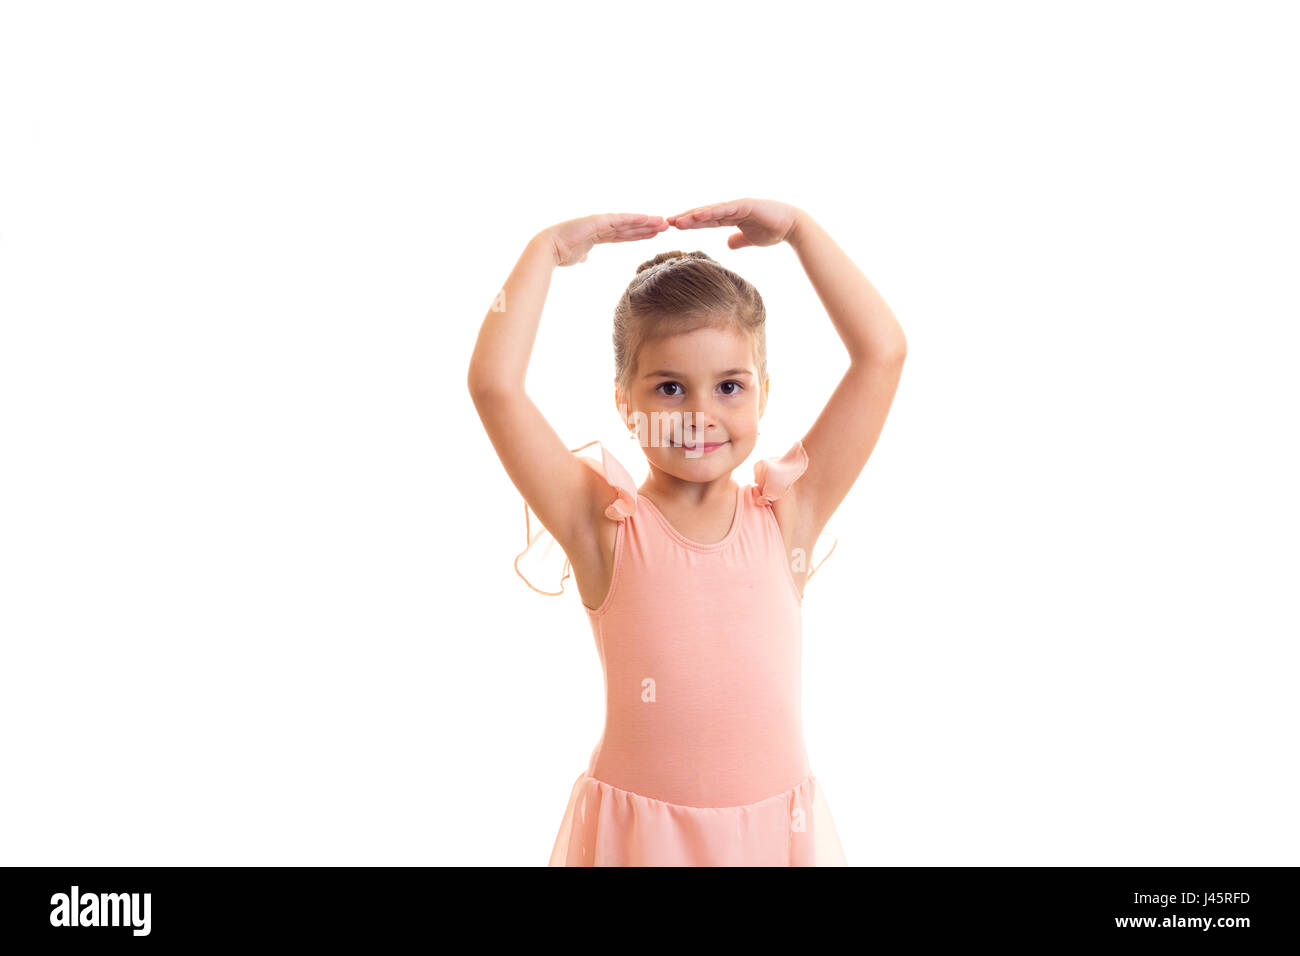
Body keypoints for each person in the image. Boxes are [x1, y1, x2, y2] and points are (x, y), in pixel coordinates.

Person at [467, 199, 907, 865]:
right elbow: (495, 385)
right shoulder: (602, 526)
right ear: (625, 402)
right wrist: (546, 249)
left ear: (763, 392)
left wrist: (800, 232)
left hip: (772, 842)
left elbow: (882, 353)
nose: (701, 413)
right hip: (643, 846)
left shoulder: (788, 515)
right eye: (670, 389)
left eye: (729, 386)